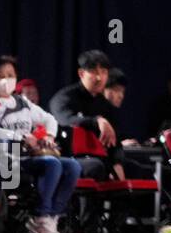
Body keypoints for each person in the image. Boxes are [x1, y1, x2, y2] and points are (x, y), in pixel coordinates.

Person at [0, 55, 81, 233]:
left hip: (26, 158)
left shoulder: (22, 103)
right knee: (52, 164)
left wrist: (48, 136)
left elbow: (50, 119)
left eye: (10, 75)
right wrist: (20, 137)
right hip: (2, 158)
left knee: (72, 166)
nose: (6, 80)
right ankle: (41, 215)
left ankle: (50, 217)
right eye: (1, 76)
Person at [48, 50, 126, 180]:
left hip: (101, 157)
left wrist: (118, 162)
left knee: (140, 169)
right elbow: (64, 120)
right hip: (69, 156)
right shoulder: (64, 97)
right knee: (96, 166)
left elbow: (115, 140)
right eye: (94, 72)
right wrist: (96, 121)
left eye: (104, 72)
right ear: (81, 73)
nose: (99, 78)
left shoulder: (105, 105)